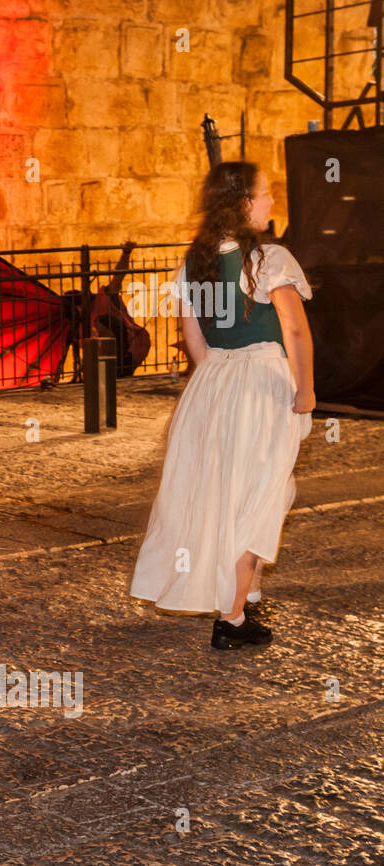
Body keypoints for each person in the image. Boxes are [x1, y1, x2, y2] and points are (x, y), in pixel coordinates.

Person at [131, 162, 315, 649]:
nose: (272, 202)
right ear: (244, 203)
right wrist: (305, 389)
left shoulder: (195, 260)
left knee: (225, 492)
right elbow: (294, 330)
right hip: (262, 382)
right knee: (258, 497)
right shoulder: (269, 258)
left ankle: (246, 593)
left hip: (212, 383)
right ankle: (231, 618)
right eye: (265, 194)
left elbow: (192, 336)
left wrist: (217, 377)